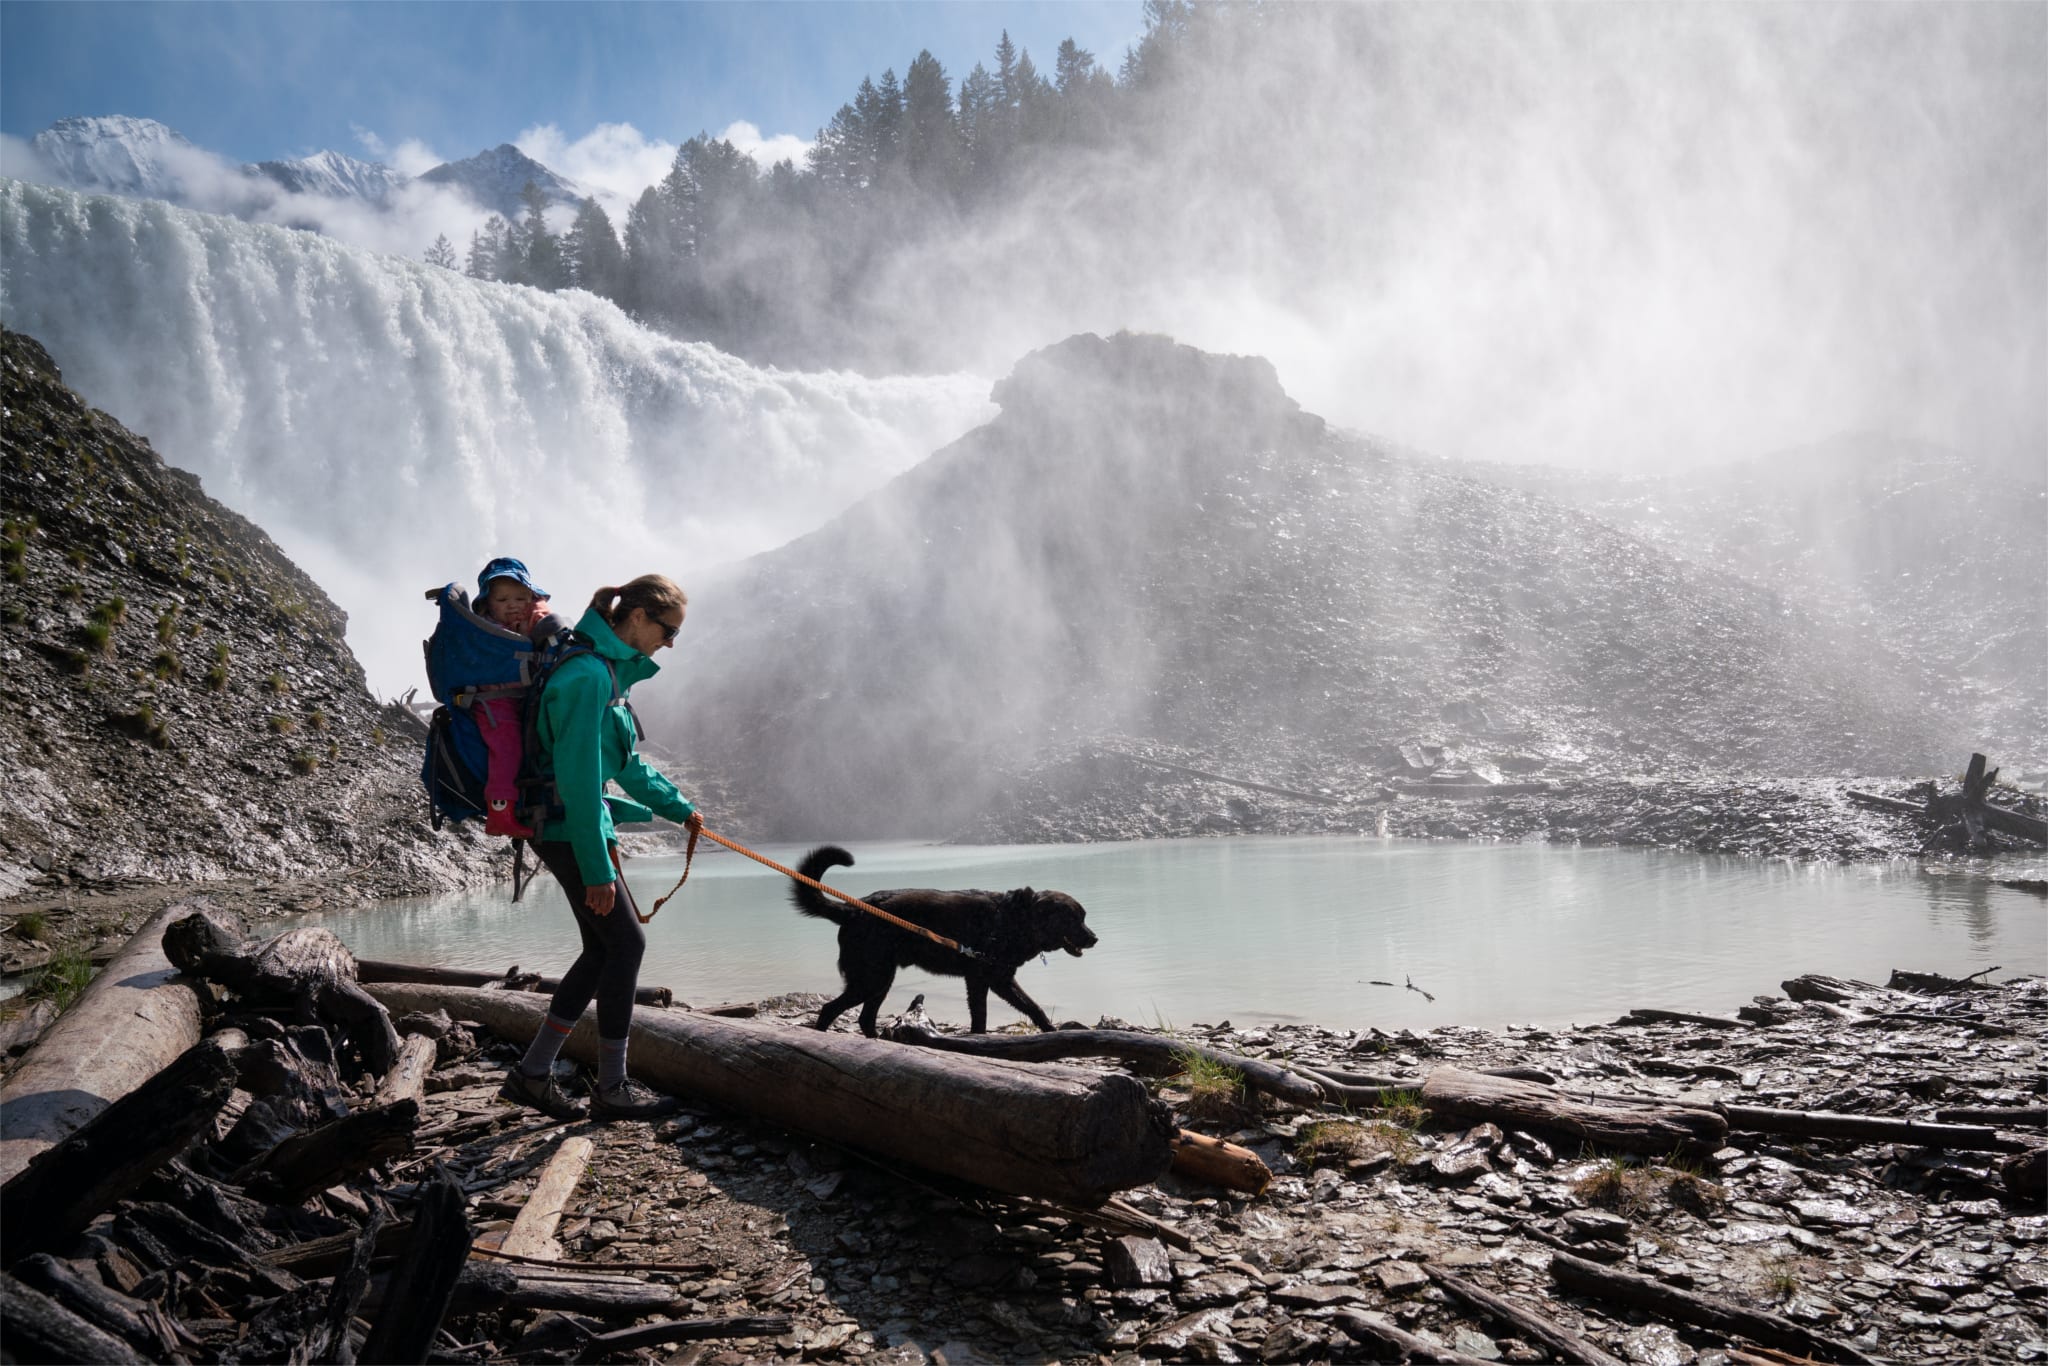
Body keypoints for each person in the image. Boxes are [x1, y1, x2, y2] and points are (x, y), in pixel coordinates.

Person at [497, 574, 699, 1121]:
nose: (671, 642)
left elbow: (624, 764)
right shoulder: (587, 676)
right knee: (625, 947)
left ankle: (534, 1074)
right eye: (668, 629)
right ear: (635, 616)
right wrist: (597, 871)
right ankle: (611, 1087)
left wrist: (681, 809)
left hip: (571, 828)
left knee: (603, 949)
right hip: (569, 831)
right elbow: (581, 781)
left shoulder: (604, 673)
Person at [472, 556, 561, 838]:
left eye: (521, 598)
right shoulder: (486, 628)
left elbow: (542, 615)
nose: (513, 605)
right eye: (503, 600)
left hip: (516, 700)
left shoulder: (525, 620)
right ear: (487, 604)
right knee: (507, 748)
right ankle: (499, 814)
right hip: (493, 703)